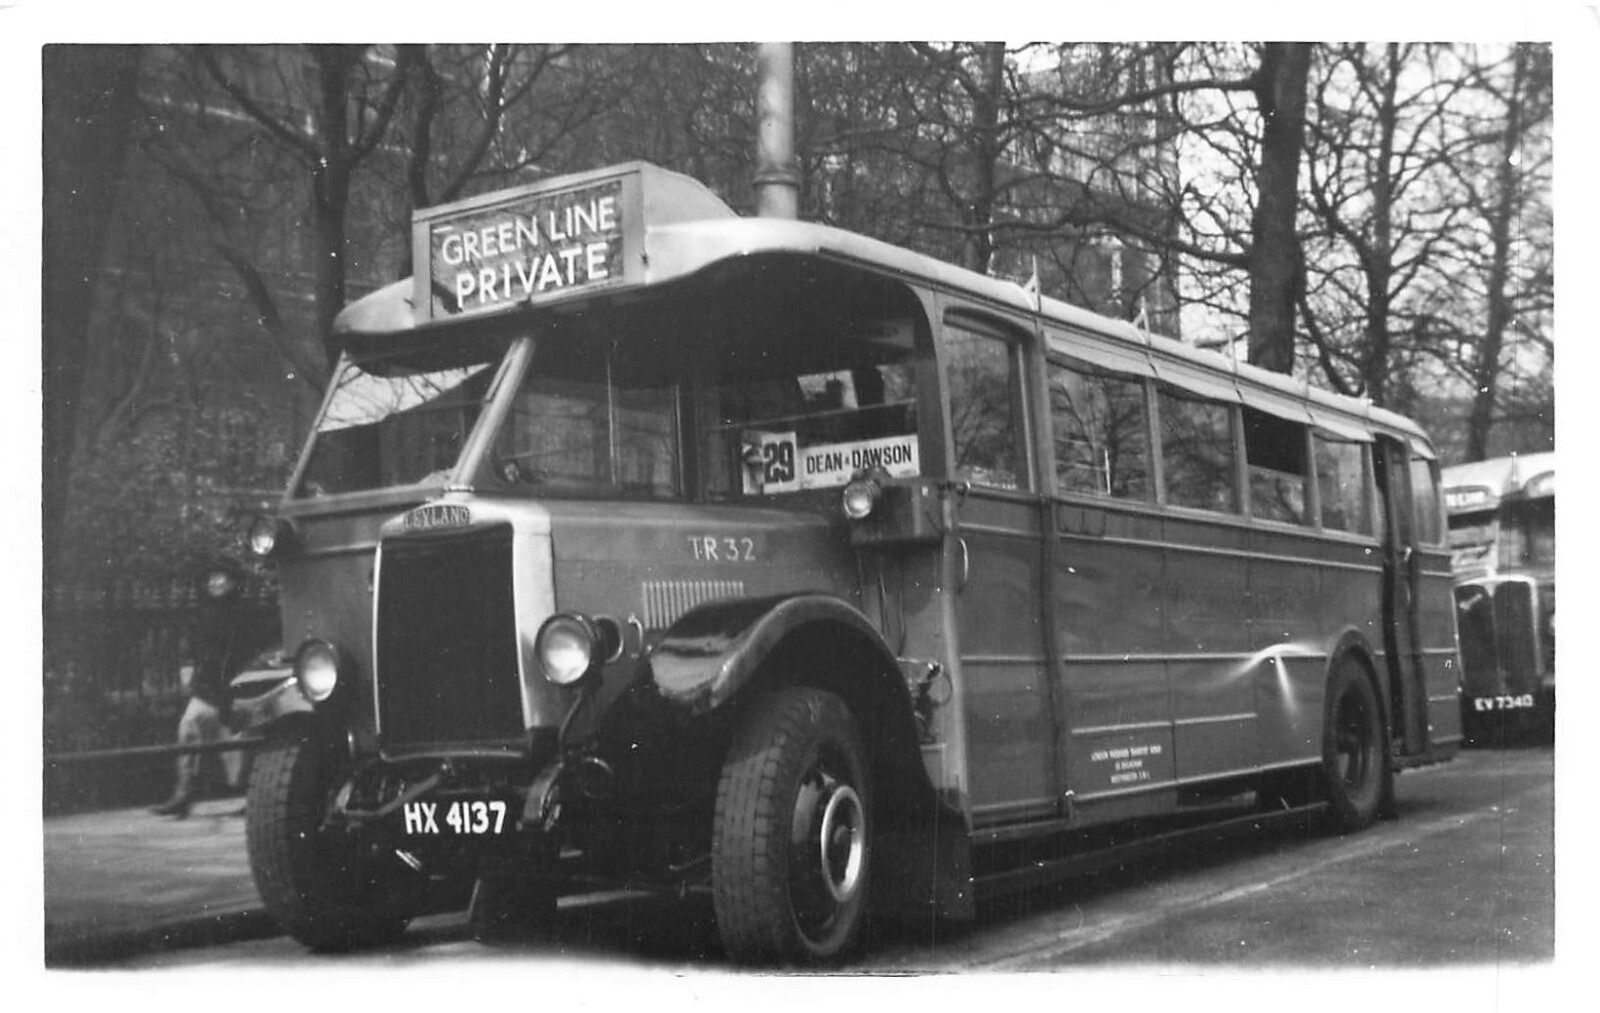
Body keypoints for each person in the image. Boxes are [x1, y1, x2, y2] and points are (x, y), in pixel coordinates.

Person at [151, 559, 247, 818]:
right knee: (189, 727)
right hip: (208, 687)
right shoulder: (202, 614)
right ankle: (185, 792)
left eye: (222, 578)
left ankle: (251, 795)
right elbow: (193, 650)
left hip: (238, 687)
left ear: (233, 582)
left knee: (240, 743)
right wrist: (190, 675)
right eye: (211, 579)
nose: (216, 583)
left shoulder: (244, 613)